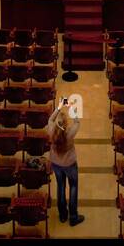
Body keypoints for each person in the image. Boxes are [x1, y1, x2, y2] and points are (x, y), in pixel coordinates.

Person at [47, 96, 84, 227]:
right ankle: (73, 217)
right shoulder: (69, 133)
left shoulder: (51, 129)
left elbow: (50, 119)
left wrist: (59, 107)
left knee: (60, 187)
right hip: (70, 164)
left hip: (56, 164)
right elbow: (77, 122)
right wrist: (68, 106)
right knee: (73, 187)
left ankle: (63, 215)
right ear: (65, 124)